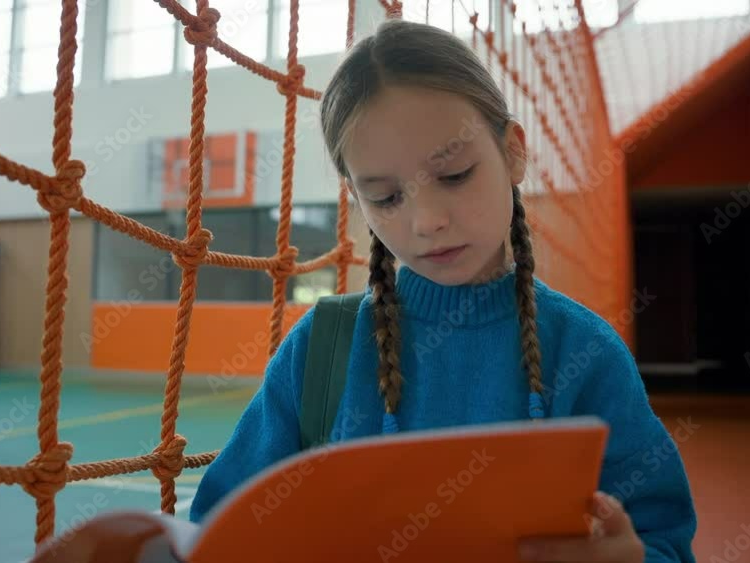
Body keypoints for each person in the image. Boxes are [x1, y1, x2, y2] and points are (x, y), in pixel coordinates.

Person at [189, 18, 697, 562]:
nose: (427, 220)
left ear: (513, 152)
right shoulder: (320, 350)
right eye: (386, 198)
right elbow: (216, 531)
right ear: (357, 197)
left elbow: (663, 540)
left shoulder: (584, 351)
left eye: (454, 175)